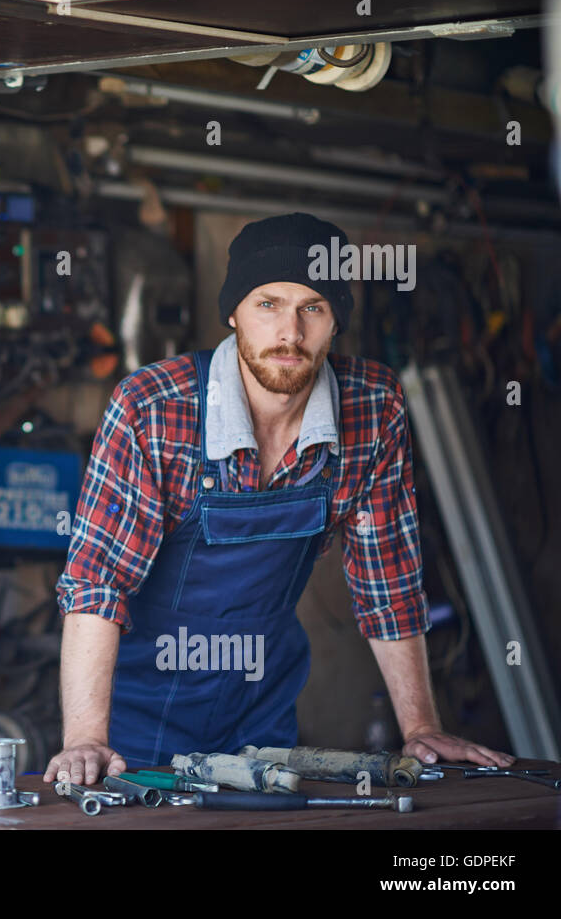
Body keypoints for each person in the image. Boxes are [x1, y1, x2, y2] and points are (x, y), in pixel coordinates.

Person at [46, 212, 513, 786]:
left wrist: (420, 727)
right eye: (268, 303)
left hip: (261, 710)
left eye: (312, 307)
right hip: (130, 713)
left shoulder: (373, 408)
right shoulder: (152, 409)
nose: (289, 331)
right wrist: (87, 740)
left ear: (337, 320)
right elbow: (99, 584)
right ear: (233, 312)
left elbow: (387, 584)